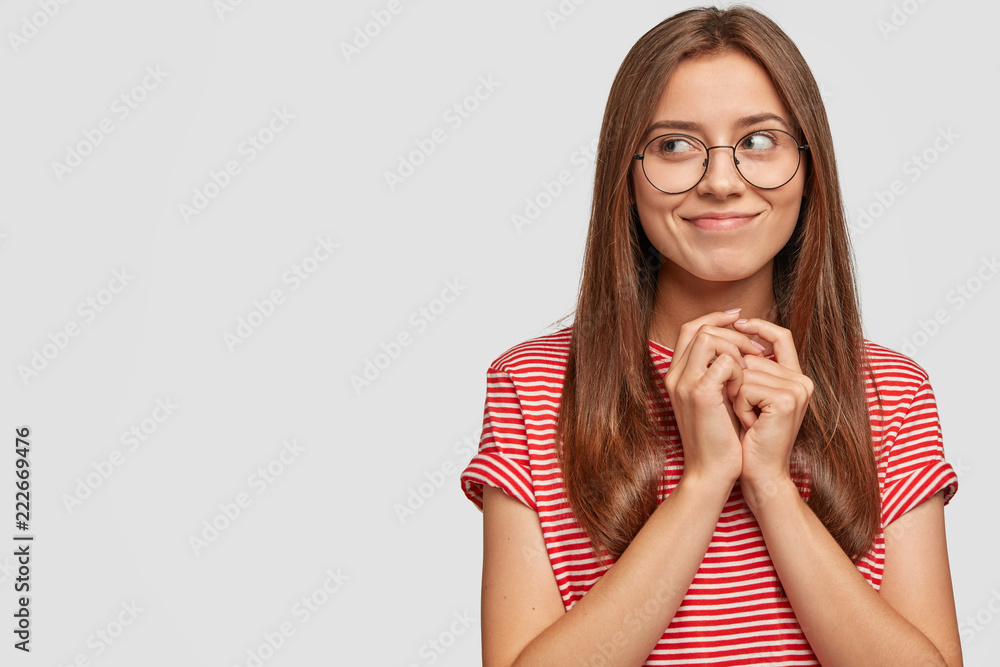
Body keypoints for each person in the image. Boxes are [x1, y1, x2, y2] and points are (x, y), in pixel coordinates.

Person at [459, 5, 962, 666]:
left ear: (809, 168)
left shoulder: (890, 390)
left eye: (758, 141)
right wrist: (703, 481)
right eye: (674, 145)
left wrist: (772, 486)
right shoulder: (536, 384)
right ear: (628, 173)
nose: (721, 182)